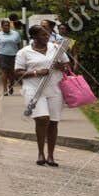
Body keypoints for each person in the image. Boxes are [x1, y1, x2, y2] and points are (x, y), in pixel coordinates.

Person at [16, 22, 69, 166]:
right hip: (33, 90)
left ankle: (51, 155)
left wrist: (61, 66)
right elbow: (18, 73)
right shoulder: (24, 52)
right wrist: (36, 72)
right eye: (43, 35)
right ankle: (41, 153)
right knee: (42, 118)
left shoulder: (56, 48)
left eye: (48, 34)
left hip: (54, 90)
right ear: (34, 37)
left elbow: (66, 66)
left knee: (53, 122)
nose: (47, 37)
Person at [0, 16, 24, 96]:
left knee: (13, 73)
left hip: (14, 55)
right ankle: (5, 89)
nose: (6, 27)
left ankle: (11, 85)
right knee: (4, 72)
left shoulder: (15, 34)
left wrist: (22, 54)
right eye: (5, 25)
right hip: (3, 55)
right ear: (2, 26)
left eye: (8, 25)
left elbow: (19, 45)